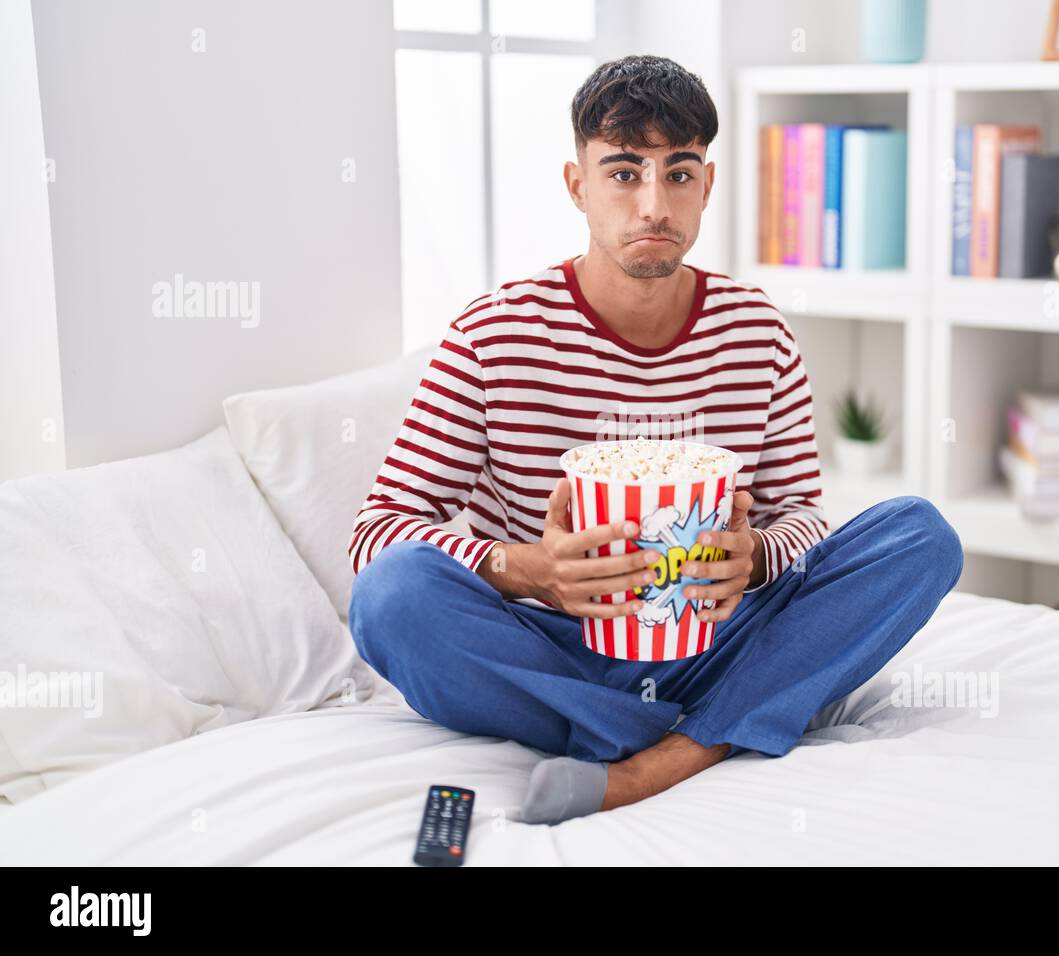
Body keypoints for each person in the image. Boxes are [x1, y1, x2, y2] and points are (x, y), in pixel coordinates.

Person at [346, 54, 963, 825]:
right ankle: (724, 724)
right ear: (578, 186)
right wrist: (527, 570)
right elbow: (378, 534)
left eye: (677, 174)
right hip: (556, 648)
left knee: (919, 537)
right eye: (623, 172)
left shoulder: (757, 331)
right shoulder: (491, 335)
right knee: (392, 598)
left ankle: (659, 758)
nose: (652, 205)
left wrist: (759, 555)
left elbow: (802, 509)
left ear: (707, 184)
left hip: (718, 636)